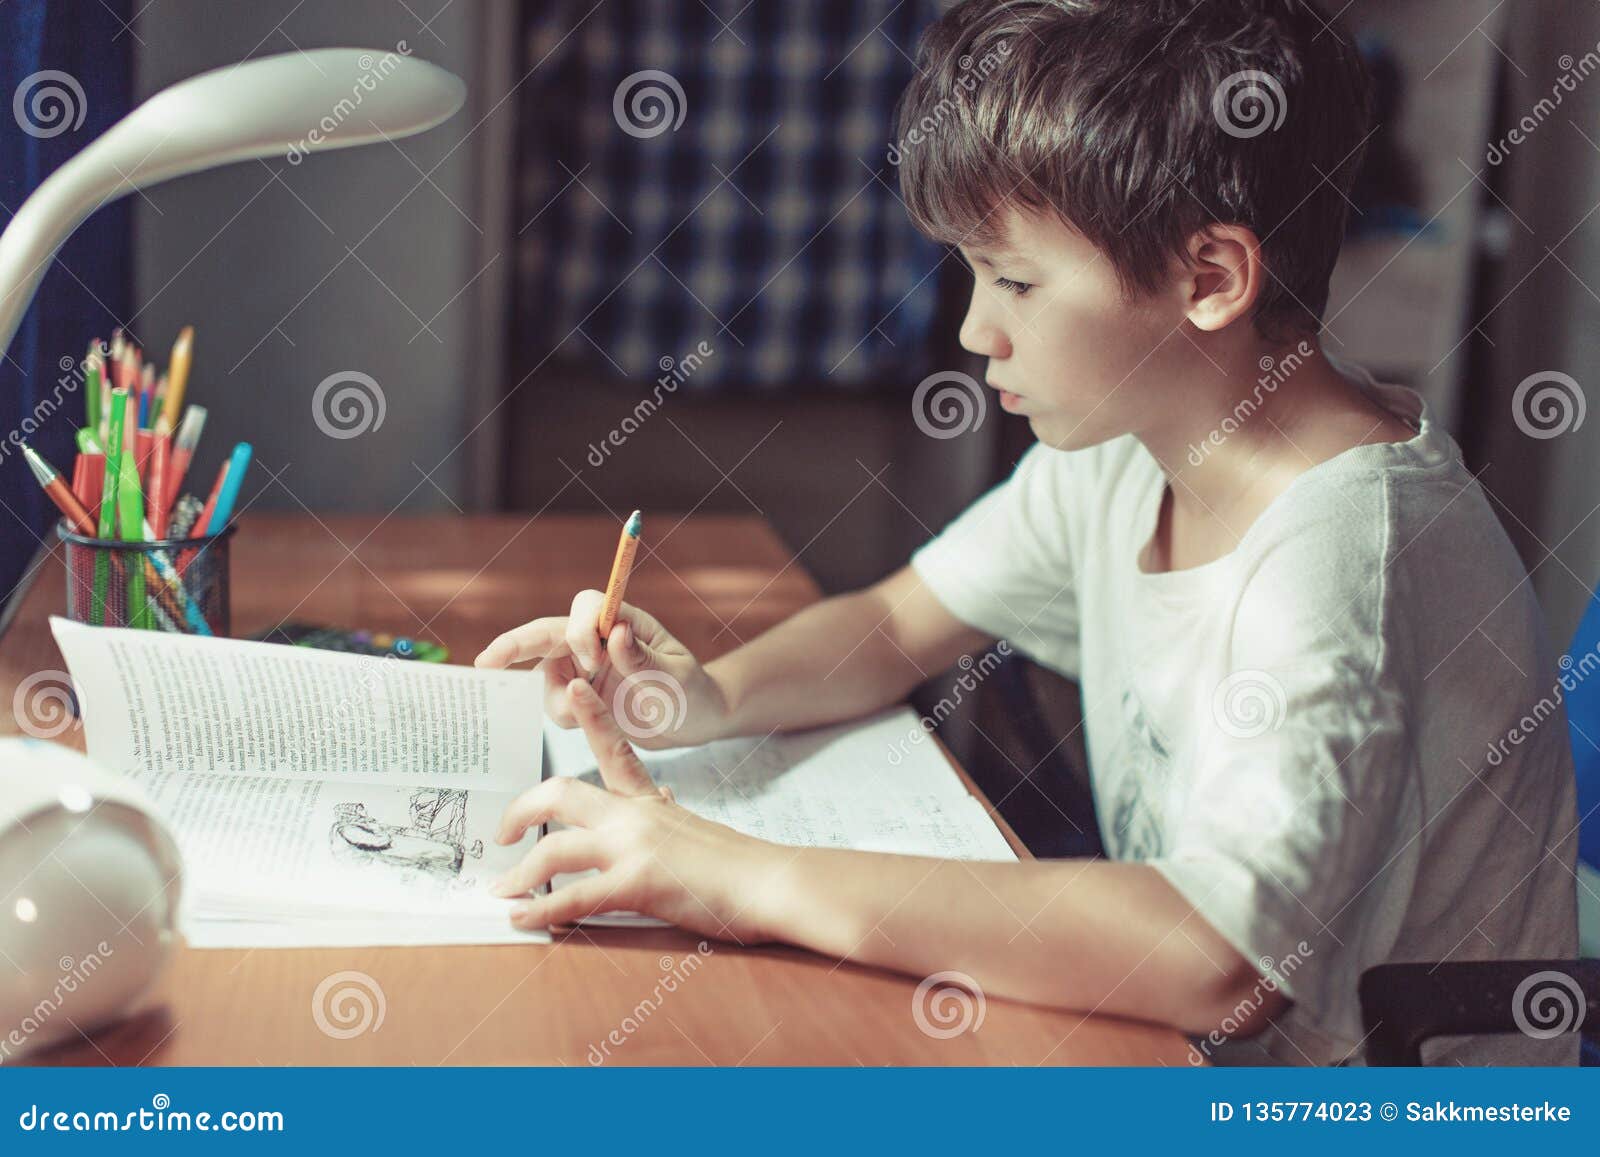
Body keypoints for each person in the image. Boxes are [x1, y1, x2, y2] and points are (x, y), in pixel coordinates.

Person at [477, 0, 1579, 1065]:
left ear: (1209, 279)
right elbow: (897, 621)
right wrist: (702, 698)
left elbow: (1218, 961)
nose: (973, 328)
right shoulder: (1134, 445)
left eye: (1013, 279)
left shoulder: (1339, 553)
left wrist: (742, 875)